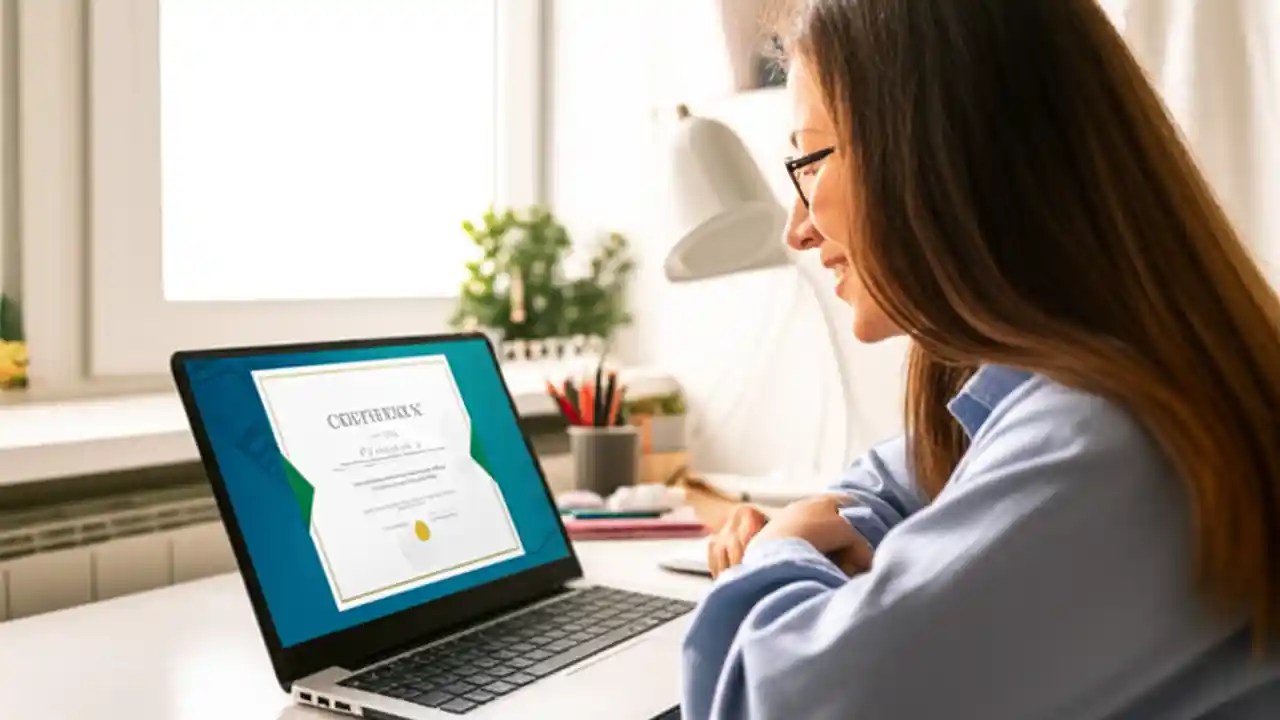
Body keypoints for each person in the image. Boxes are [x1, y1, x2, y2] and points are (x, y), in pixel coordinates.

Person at [681, 1, 1280, 718]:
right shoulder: (1090, 388)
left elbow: (768, 702)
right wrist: (845, 526)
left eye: (809, 162)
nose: (798, 228)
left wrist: (777, 554)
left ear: (940, 154)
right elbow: (892, 480)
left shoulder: (1098, 443)